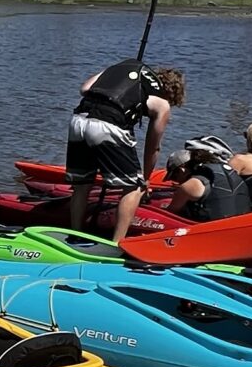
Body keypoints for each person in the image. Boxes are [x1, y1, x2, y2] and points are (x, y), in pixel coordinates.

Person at [65, 62, 186, 239]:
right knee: (133, 187)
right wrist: (145, 179)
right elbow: (153, 147)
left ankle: (75, 234)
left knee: (82, 185)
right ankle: (117, 243)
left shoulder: (125, 68)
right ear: (173, 95)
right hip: (107, 125)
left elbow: (84, 89)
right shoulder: (162, 103)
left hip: (79, 120)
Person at [167, 137, 252, 222]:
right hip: (243, 223)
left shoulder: (191, 185)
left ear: (182, 170)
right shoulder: (231, 172)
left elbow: (169, 214)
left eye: (174, 177)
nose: (176, 181)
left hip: (214, 229)